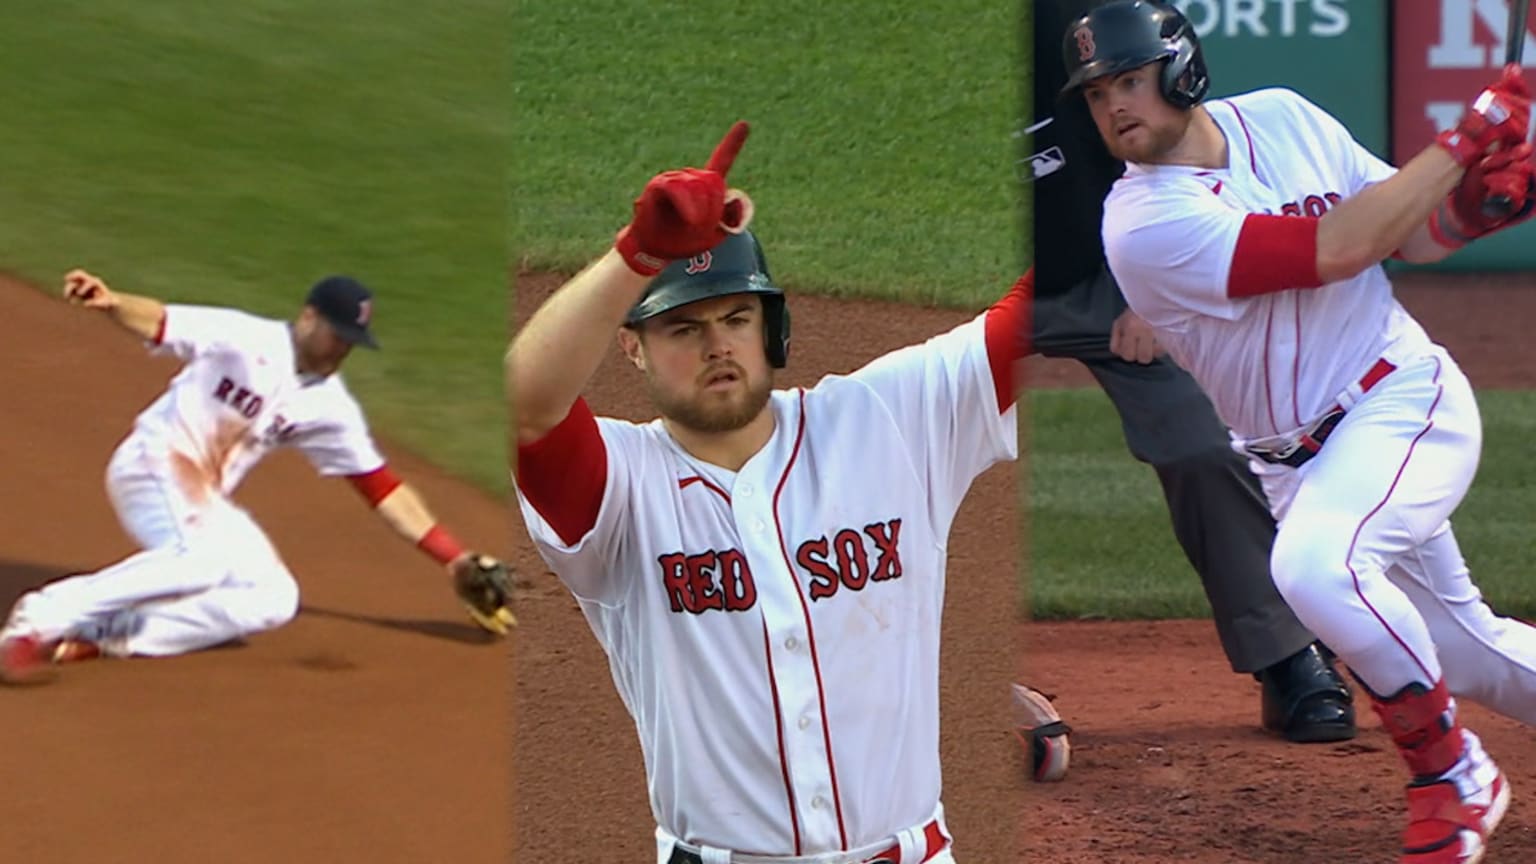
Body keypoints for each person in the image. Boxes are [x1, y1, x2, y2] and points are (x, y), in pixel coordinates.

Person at [1063, 2, 1536, 861]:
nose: (1115, 107)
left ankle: (1453, 775)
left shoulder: (1285, 118)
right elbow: (1336, 247)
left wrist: (1483, 205)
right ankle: (1456, 756)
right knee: (1464, 654)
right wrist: (1469, 139)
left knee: (1317, 568)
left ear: (1181, 72)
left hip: (1401, 402)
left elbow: (1416, 237)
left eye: (1129, 80)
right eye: (1097, 95)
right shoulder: (1141, 226)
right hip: (1299, 468)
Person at [507, 122, 1026, 863]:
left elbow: (1050, 302)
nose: (718, 345)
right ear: (633, 347)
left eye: (737, 318)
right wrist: (638, 253)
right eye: (684, 327)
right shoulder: (621, 489)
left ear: (771, 328)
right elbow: (526, 406)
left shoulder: (889, 421)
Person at [1028, 0, 1354, 743]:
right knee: (891, 426)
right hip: (971, 290)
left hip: (1110, 273)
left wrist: (1155, 291)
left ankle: (1288, 654)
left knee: (1201, 442)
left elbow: (1149, 134)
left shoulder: (1059, 21)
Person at [0, 270, 515, 684]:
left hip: (203, 498)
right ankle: (37, 621)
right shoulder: (244, 338)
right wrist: (111, 303)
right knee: (199, 562)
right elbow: (162, 322)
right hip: (152, 462)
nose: (342, 349)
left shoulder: (329, 406)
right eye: (338, 335)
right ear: (309, 316)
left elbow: (380, 486)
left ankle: (110, 634)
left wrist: (453, 558)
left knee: (270, 598)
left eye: (352, 341)